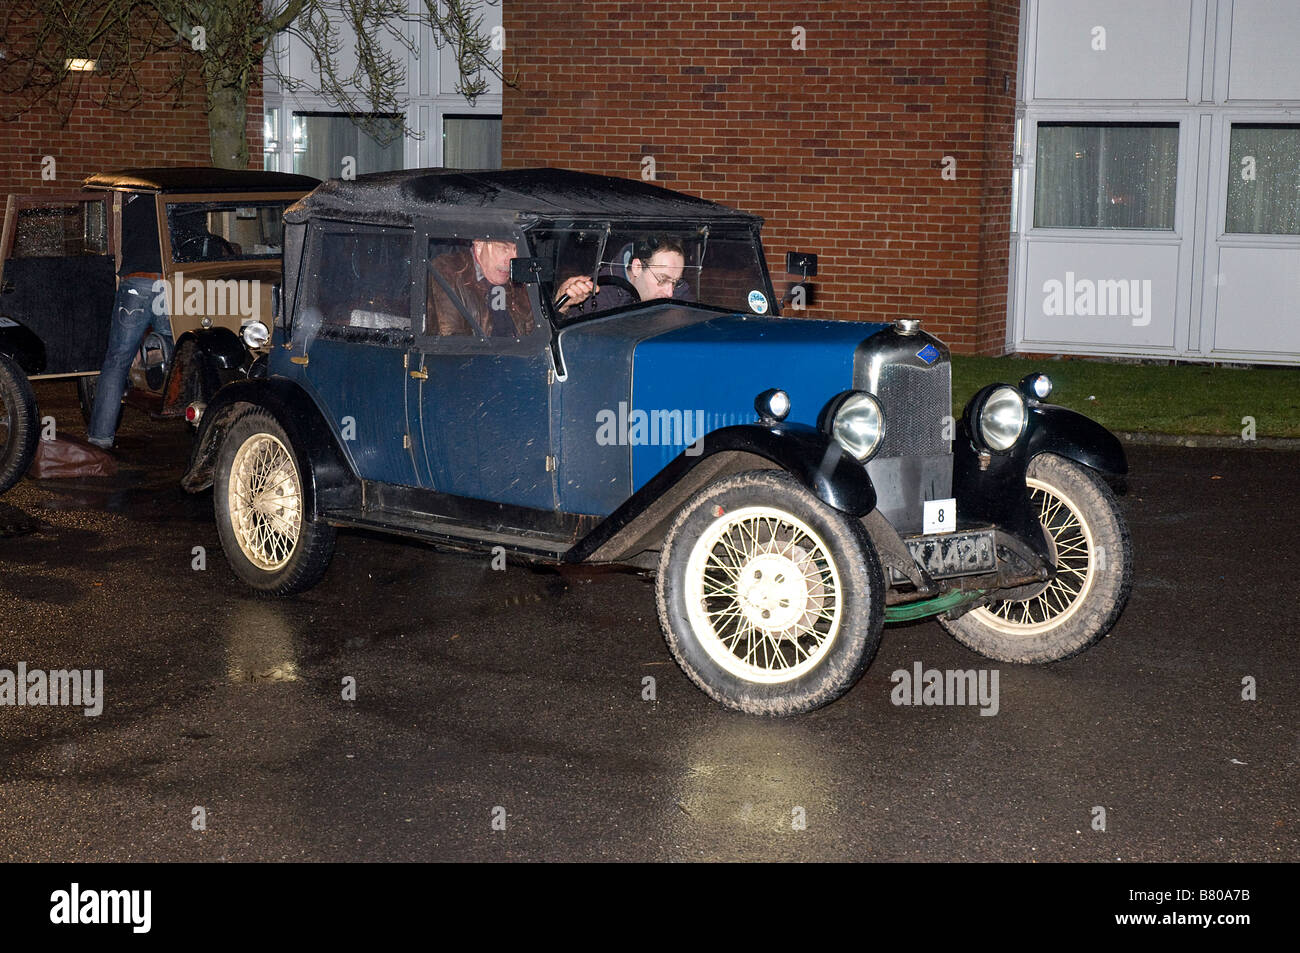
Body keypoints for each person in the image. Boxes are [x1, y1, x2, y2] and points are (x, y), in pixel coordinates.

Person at [87, 193, 171, 450]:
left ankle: (100, 438)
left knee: (117, 360)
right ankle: (157, 349)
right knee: (178, 349)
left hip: (136, 282)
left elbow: (118, 245)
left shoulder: (129, 206)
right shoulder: (172, 203)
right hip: (170, 282)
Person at [426, 239, 592, 337]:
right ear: (479, 245)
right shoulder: (448, 269)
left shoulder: (519, 275)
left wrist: (560, 304)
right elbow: (451, 343)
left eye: (516, 249)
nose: (512, 258)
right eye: (504, 248)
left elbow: (536, 337)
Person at [568, 235, 690, 313]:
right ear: (637, 267)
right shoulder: (596, 294)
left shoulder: (680, 290)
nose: (670, 293)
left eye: (675, 282)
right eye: (662, 280)